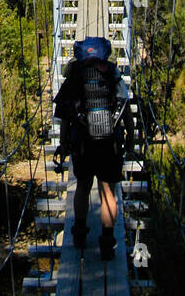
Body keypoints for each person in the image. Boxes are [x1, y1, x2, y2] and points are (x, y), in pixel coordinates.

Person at [53, 36, 132, 260]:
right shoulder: (114, 75)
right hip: (110, 143)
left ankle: (79, 233)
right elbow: (125, 110)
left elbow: (66, 115)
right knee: (109, 193)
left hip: (83, 144)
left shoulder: (74, 76)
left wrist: (63, 142)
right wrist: (132, 138)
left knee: (83, 188)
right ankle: (107, 242)